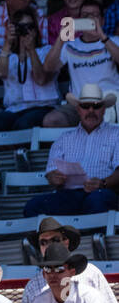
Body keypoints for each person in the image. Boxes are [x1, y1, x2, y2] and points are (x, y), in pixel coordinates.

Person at [20, 216, 119, 303]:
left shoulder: (92, 273)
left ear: (66, 241)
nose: (49, 245)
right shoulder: (32, 287)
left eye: (55, 240)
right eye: (43, 242)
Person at [23, 85, 119, 216]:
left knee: (98, 200)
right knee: (33, 206)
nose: (91, 110)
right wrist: (54, 178)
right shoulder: (64, 138)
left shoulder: (116, 134)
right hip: (69, 194)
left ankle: (86, 235)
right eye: (86, 106)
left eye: (96, 106)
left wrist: (103, 183)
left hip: (102, 191)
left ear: (103, 109)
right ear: (78, 109)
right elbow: (51, 172)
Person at [42, 3, 119, 126]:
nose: (89, 18)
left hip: (110, 102)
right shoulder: (70, 46)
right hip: (78, 104)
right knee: (51, 120)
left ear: (103, 20)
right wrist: (61, 38)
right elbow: (48, 67)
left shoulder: (113, 41)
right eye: (85, 15)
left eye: (94, 15)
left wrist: (102, 36)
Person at [0, 7, 56, 130]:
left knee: (23, 124)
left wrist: (31, 50)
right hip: (14, 109)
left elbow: (41, 79)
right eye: (21, 27)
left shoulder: (46, 51)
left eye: (29, 26)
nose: (26, 31)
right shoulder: (7, 56)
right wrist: (7, 43)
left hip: (43, 106)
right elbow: (0, 73)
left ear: (35, 29)